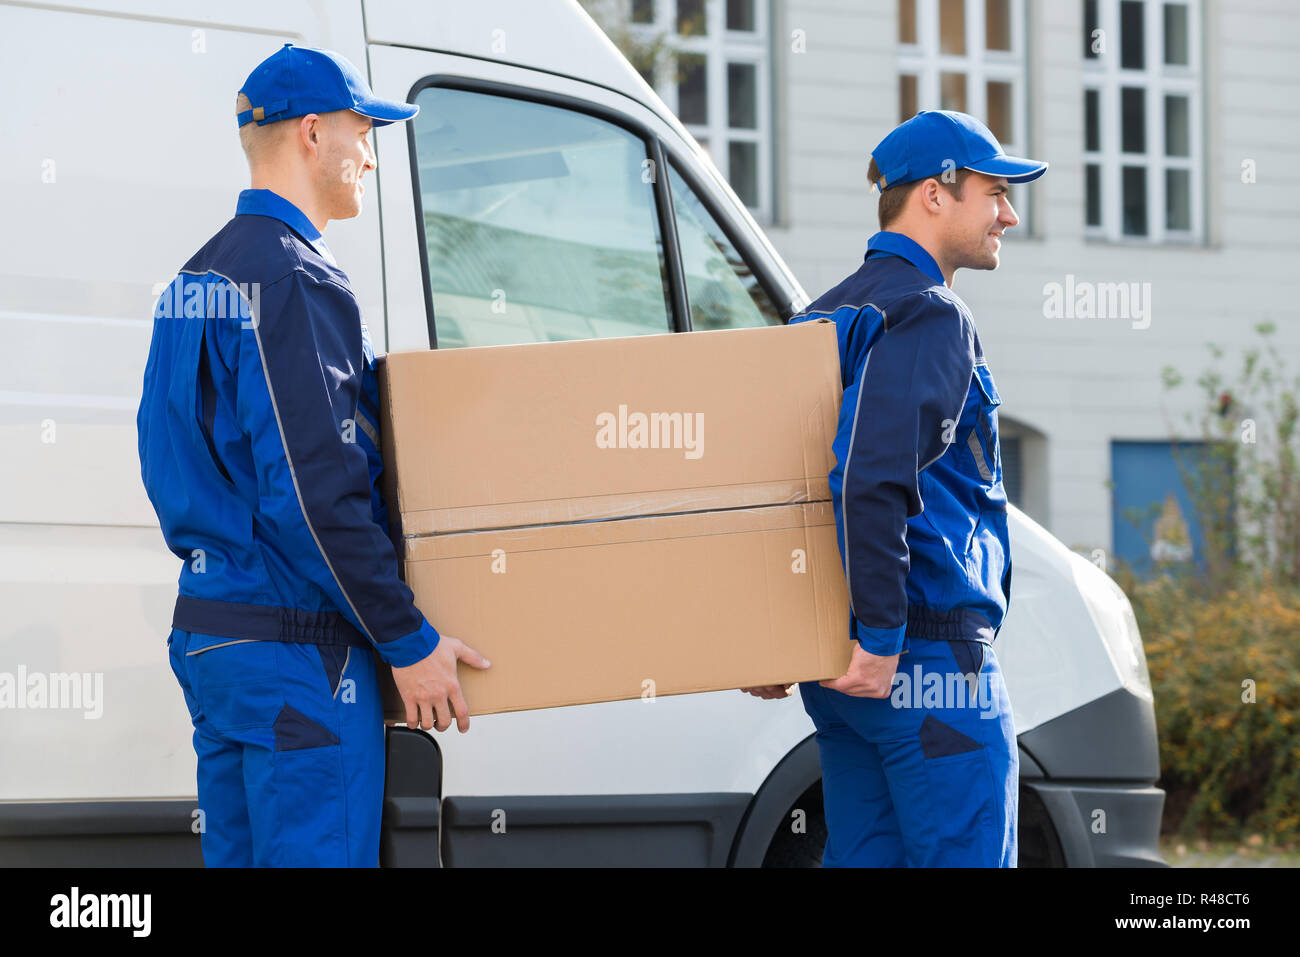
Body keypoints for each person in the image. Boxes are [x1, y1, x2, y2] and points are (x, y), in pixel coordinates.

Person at [136, 43, 488, 867]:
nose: (369, 152)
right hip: (300, 651)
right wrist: (405, 637)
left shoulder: (195, 279)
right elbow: (315, 488)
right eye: (362, 129)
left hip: (219, 640)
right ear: (310, 132)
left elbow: (165, 459)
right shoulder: (295, 277)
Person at [743, 110, 1047, 867]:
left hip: (845, 668)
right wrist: (881, 638)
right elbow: (869, 476)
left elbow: (775, 490)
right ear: (935, 196)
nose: (1008, 213)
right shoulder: (928, 313)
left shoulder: (820, 314)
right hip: (924, 663)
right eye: (993, 192)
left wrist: (782, 632)